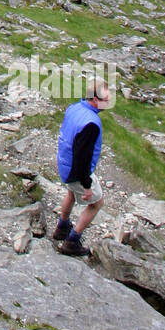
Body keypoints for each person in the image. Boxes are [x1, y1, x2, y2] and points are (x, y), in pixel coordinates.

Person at [54, 73, 115, 256]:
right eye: (106, 100)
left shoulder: (74, 108)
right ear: (95, 99)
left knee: (71, 193)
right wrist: (87, 185)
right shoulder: (91, 124)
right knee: (96, 203)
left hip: (64, 162)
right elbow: (82, 158)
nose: (108, 103)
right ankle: (72, 241)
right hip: (75, 169)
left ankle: (62, 227)